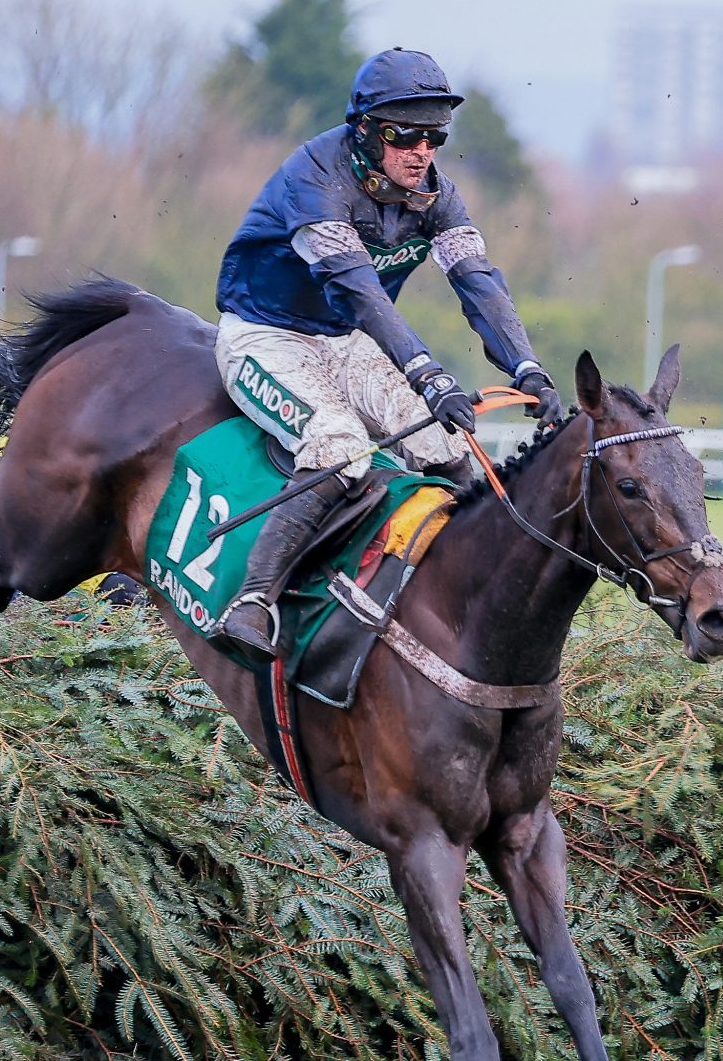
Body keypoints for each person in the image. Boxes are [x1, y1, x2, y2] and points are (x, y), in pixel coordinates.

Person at [211, 47, 558, 659]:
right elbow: (362, 296)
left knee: (447, 449)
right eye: (406, 134)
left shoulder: (436, 195)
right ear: (365, 130)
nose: (422, 151)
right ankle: (254, 600)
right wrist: (427, 375)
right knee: (342, 447)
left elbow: (478, 282)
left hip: (344, 341)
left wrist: (528, 368)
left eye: (435, 136)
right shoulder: (314, 181)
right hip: (266, 335)